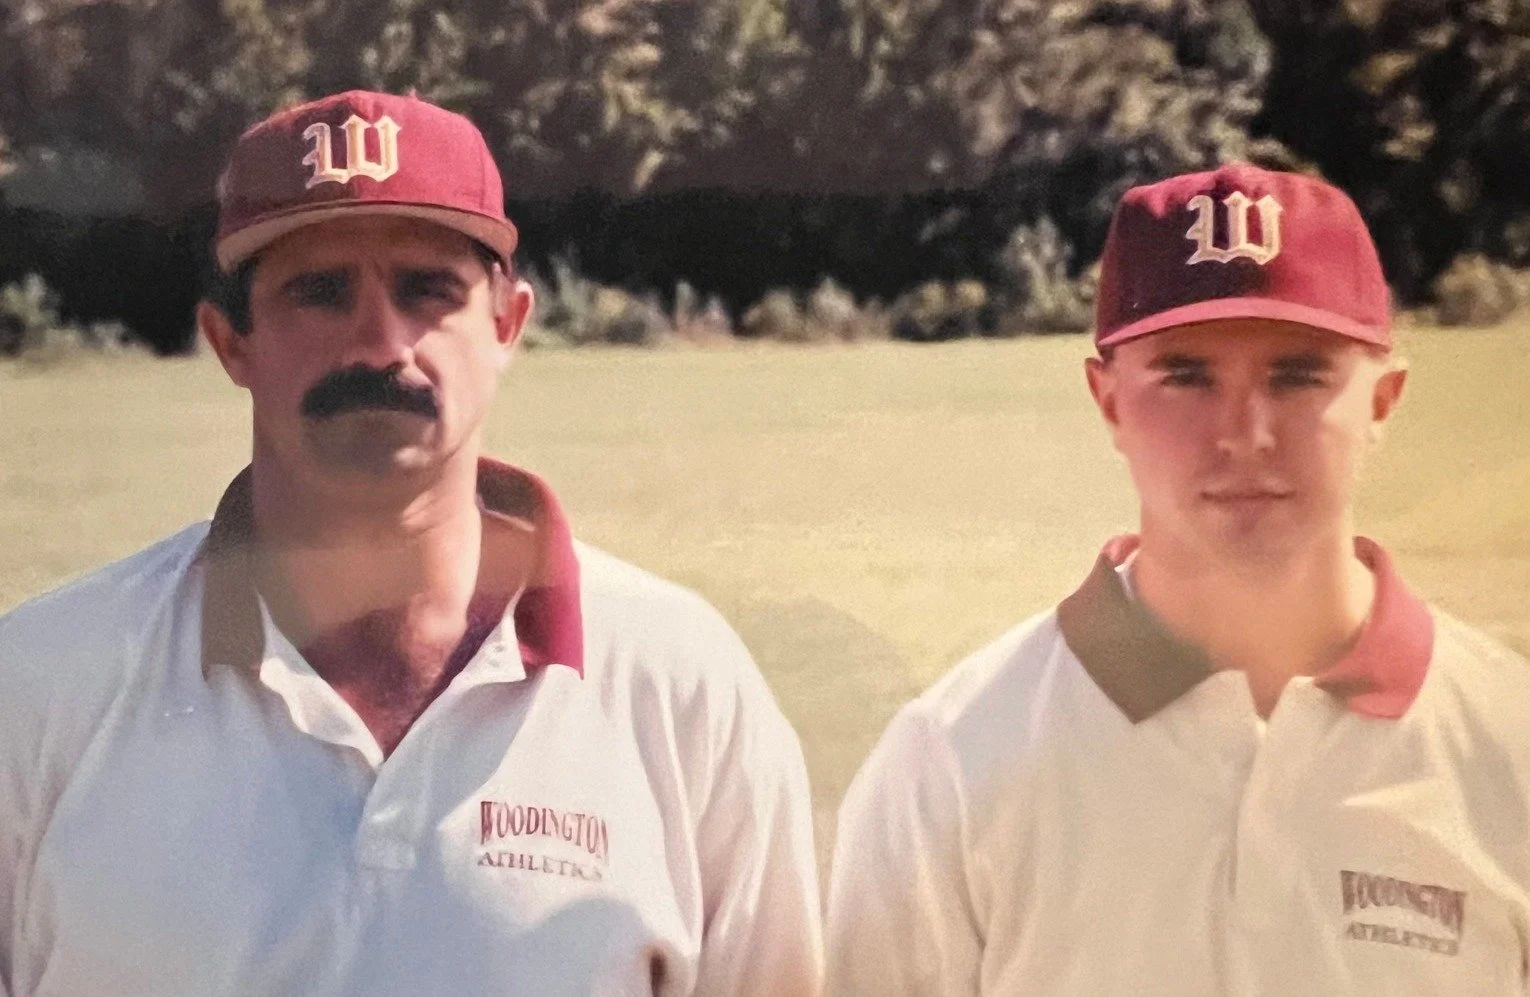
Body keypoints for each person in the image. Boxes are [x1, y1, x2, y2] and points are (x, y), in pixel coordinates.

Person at [0, 90, 821, 997]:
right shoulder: (39, 688)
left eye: (428, 289)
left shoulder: (680, 685)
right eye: (319, 290)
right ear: (231, 342)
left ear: (507, 325)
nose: (380, 342)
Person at [824, 162, 1530, 996]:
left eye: (1298, 374)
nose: (1245, 432)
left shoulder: (1507, 743)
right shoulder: (954, 757)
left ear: (1383, 401)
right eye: (1185, 375)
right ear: (1108, 399)